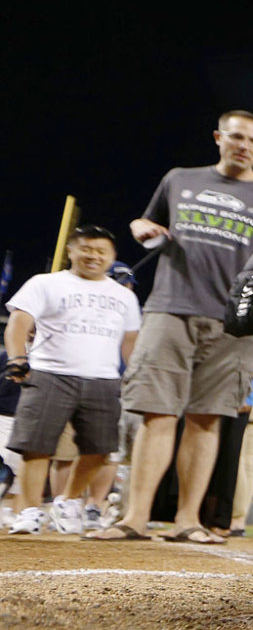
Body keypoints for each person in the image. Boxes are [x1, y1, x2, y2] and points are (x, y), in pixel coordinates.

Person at [87, 111, 253, 543]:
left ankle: (188, 521)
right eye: (236, 137)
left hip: (236, 320)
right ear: (218, 137)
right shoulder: (179, 178)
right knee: (156, 414)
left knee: (206, 419)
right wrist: (141, 227)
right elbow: (147, 220)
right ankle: (133, 518)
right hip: (169, 308)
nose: (244, 146)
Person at [4, 226, 140, 534]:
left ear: (112, 256)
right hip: (50, 373)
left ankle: (68, 500)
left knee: (101, 450)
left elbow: (131, 341)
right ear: (71, 251)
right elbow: (20, 321)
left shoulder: (124, 296)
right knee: (35, 446)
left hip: (104, 379)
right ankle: (29, 510)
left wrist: (134, 374)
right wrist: (17, 357)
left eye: (101, 251)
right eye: (86, 249)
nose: (93, 256)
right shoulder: (45, 283)